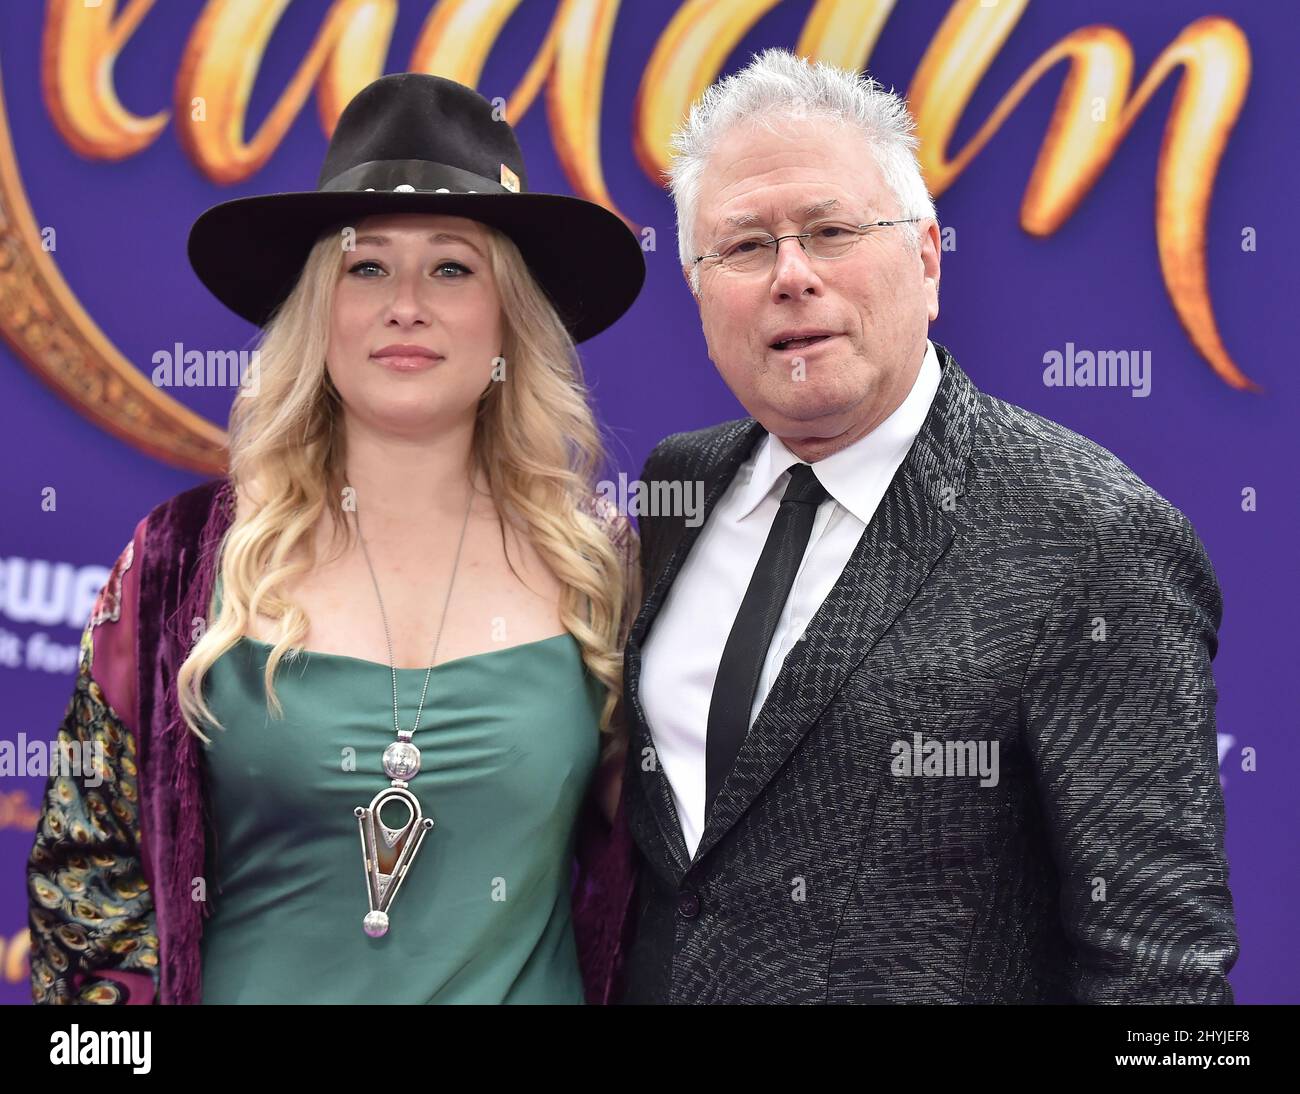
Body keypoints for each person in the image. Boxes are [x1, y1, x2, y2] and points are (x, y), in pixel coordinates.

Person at [620, 48, 1238, 1003]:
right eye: (743, 247)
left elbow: (1164, 968)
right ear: (699, 290)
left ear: (927, 258)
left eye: (832, 230)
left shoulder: (1095, 536)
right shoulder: (680, 486)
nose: (792, 275)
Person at [26, 72, 645, 1004]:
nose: (406, 303)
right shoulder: (177, 562)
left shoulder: (605, 569)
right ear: (320, 312)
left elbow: (673, 888)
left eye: (452, 267)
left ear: (509, 320)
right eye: (366, 266)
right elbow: (84, 888)